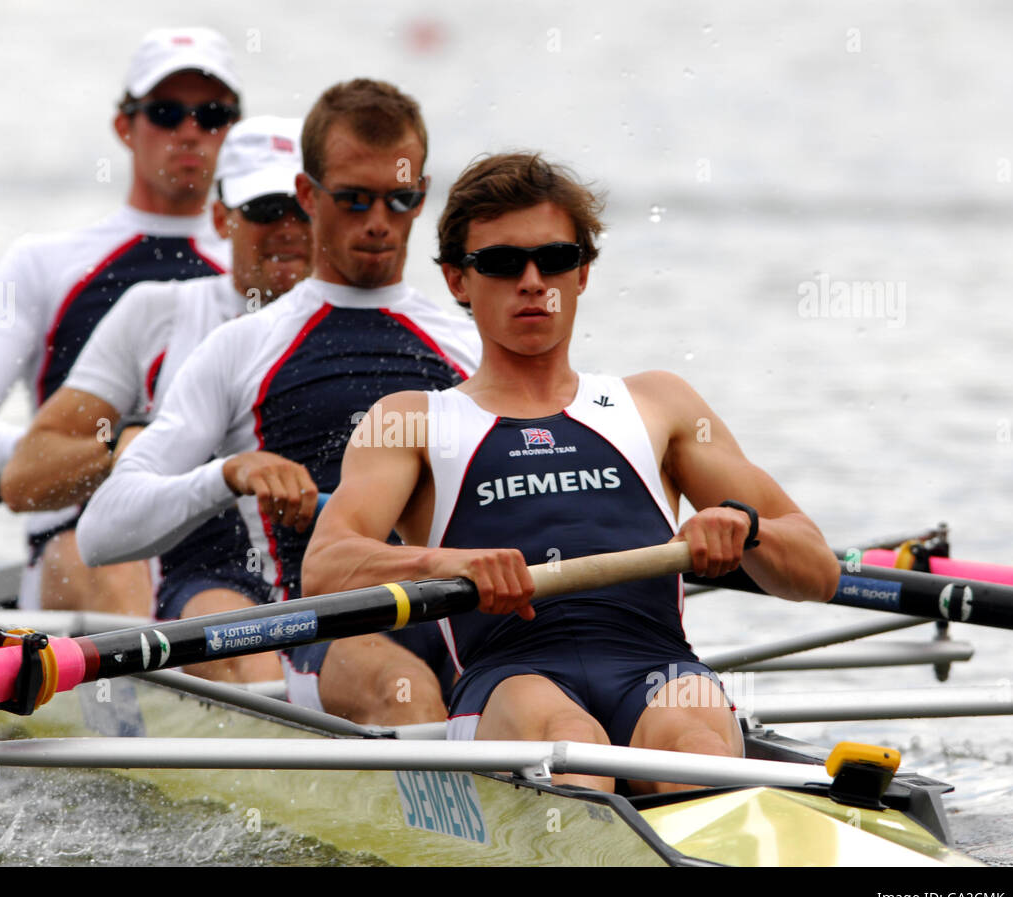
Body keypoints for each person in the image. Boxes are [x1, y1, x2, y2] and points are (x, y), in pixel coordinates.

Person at [301, 152, 839, 792]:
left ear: (582, 273)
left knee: (695, 742)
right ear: (457, 280)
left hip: (657, 666)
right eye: (502, 263)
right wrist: (448, 565)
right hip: (512, 677)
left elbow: (819, 570)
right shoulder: (412, 419)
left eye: (554, 259)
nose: (533, 281)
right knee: (575, 750)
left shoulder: (659, 403)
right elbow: (326, 568)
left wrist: (747, 529)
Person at [76, 79, 481, 723]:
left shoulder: (471, 343)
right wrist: (227, 473)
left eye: (398, 199)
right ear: (308, 196)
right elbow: (101, 533)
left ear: (421, 197)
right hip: (307, 623)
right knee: (405, 693)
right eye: (352, 200)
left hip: (456, 608)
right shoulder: (242, 347)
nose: (378, 223)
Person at [0, 27, 241, 610]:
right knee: (94, 558)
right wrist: (96, 457)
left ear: (234, 132)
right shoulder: (45, 262)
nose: (191, 133)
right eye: (167, 113)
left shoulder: (255, 273)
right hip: (78, 538)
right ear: (125, 127)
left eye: (213, 115)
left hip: (222, 548)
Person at [1, 116, 311, 681]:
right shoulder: (157, 312)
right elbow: (24, 481)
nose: (289, 228)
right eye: (267, 211)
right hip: (174, 575)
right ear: (222, 218)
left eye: (304, 210)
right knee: (88, 553)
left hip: (310, 573)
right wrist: (118, 453)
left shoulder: (373, 327)